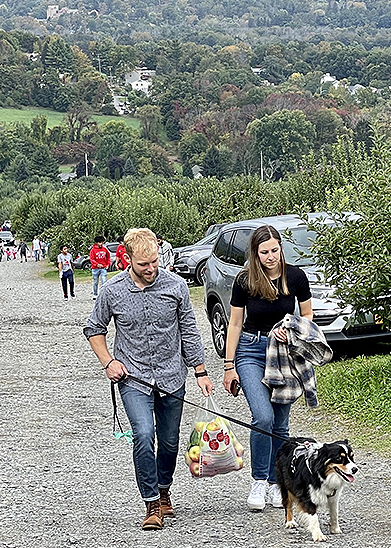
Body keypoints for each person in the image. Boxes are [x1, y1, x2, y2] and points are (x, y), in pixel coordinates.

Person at [85, 227, 213, 531]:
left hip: (171, 377)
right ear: (127, 259)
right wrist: (108, 362)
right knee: (143, 434)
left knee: (169, 442)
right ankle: (152, 503)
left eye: (155, 261)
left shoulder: (176, 286)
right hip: (134, 378)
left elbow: (189, 331)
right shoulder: (112, 291)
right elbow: (93, 329)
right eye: (144, 264)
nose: (152, 268)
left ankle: (165, 488)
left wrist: (200, 371)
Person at [220, 224, 313, 512]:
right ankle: (259, 480)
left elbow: (307, 315)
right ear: (255, 253)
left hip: (284, 353)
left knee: (280, 423)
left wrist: (295, 332)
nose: (270, 257)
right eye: (264, 252)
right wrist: (228, 365)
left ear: (280, 248)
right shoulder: (245, 280)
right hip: (251, 349)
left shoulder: (295, 276)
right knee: (262, 417)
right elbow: (234, 323)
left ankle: (277, 483)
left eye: (274, 250)